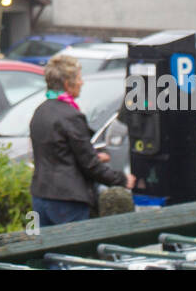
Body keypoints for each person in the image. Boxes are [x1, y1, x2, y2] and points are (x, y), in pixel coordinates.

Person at [29, 52, 135, 227]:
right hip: (68, 200)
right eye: (79, 78)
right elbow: (89, 164)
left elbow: (55, 151)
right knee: (71, 251)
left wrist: (93, 155)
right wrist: (121, 180)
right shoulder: (71, 115)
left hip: (39, 196)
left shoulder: (40, 112)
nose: (82, 82)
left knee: (41, 250)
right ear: (67, 83)